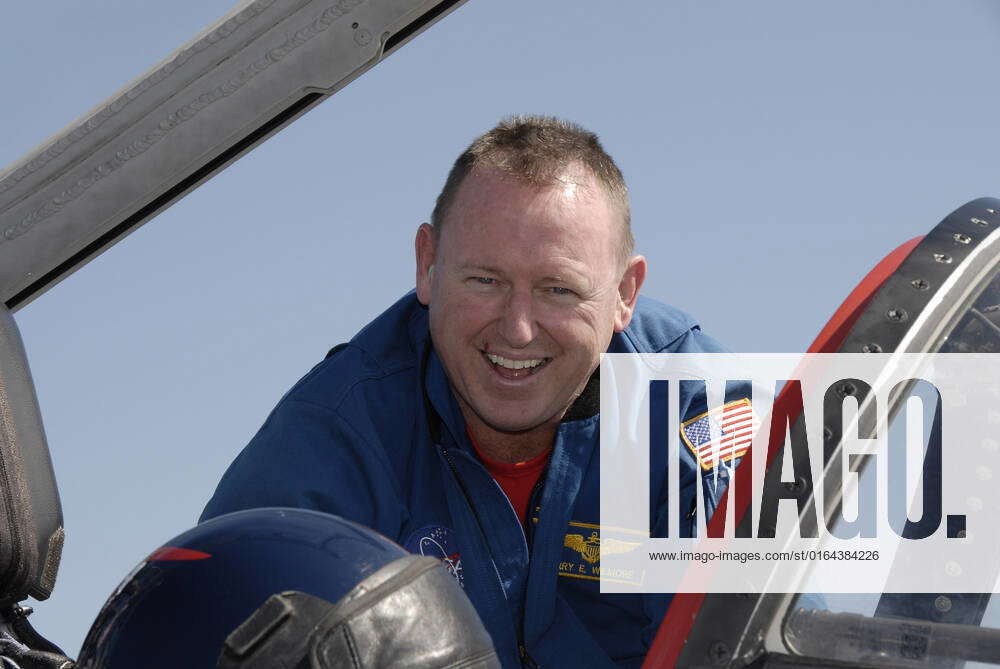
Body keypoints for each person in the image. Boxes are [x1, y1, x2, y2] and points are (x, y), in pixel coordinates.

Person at [202, 116, 747, 668]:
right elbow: (216, 635)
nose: (518, 329)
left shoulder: (698, 407)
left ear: (625, 293)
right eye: (485, 281)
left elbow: (754, 641)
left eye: (558, 290)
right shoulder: (335, 438)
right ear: (428, 266)